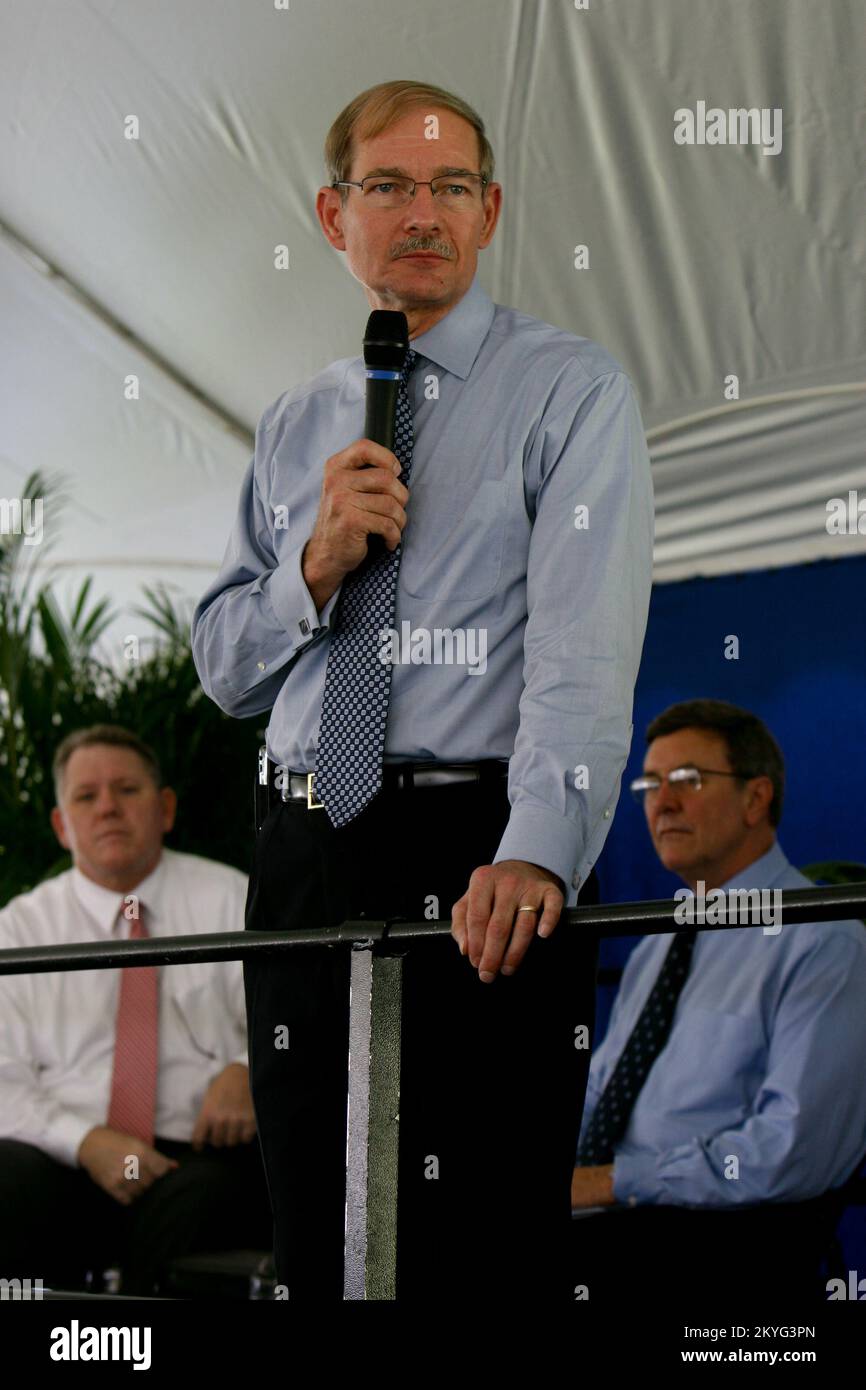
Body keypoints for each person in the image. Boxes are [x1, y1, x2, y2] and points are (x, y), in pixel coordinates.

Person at [192, 78, 654, 1301]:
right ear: (332, 213)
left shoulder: (571, 391)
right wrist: (314, 564)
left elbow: (583, 648)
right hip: (302, 842)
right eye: (388, 185)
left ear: (490, 210)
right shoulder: (295, 423)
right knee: (314, 1215)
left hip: (480, 845)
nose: (422, 212)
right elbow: (225, 667)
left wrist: (542, 851)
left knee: (480, 1235)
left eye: (451, 186)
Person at [571, 698, 866, 1303]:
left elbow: (793, 1149)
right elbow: (600, 1088)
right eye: (650, 784)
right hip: (610, 1220)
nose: (662, 802)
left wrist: (612, 1182)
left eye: (686, 780)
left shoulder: (827, 940)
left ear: (757, 799)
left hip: (715, 1249)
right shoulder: (660, 942)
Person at [0, 726, 272, 1296]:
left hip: (194, 1158)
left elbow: (297, 1024)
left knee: (218, 1200)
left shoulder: (236, 900)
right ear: (60, 825)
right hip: (62, 1154)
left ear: (166, 808)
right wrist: (85, 1141)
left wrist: (250, 1068)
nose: (108, 809)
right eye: (86, 796)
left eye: (126, 790)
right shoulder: (18, 930)